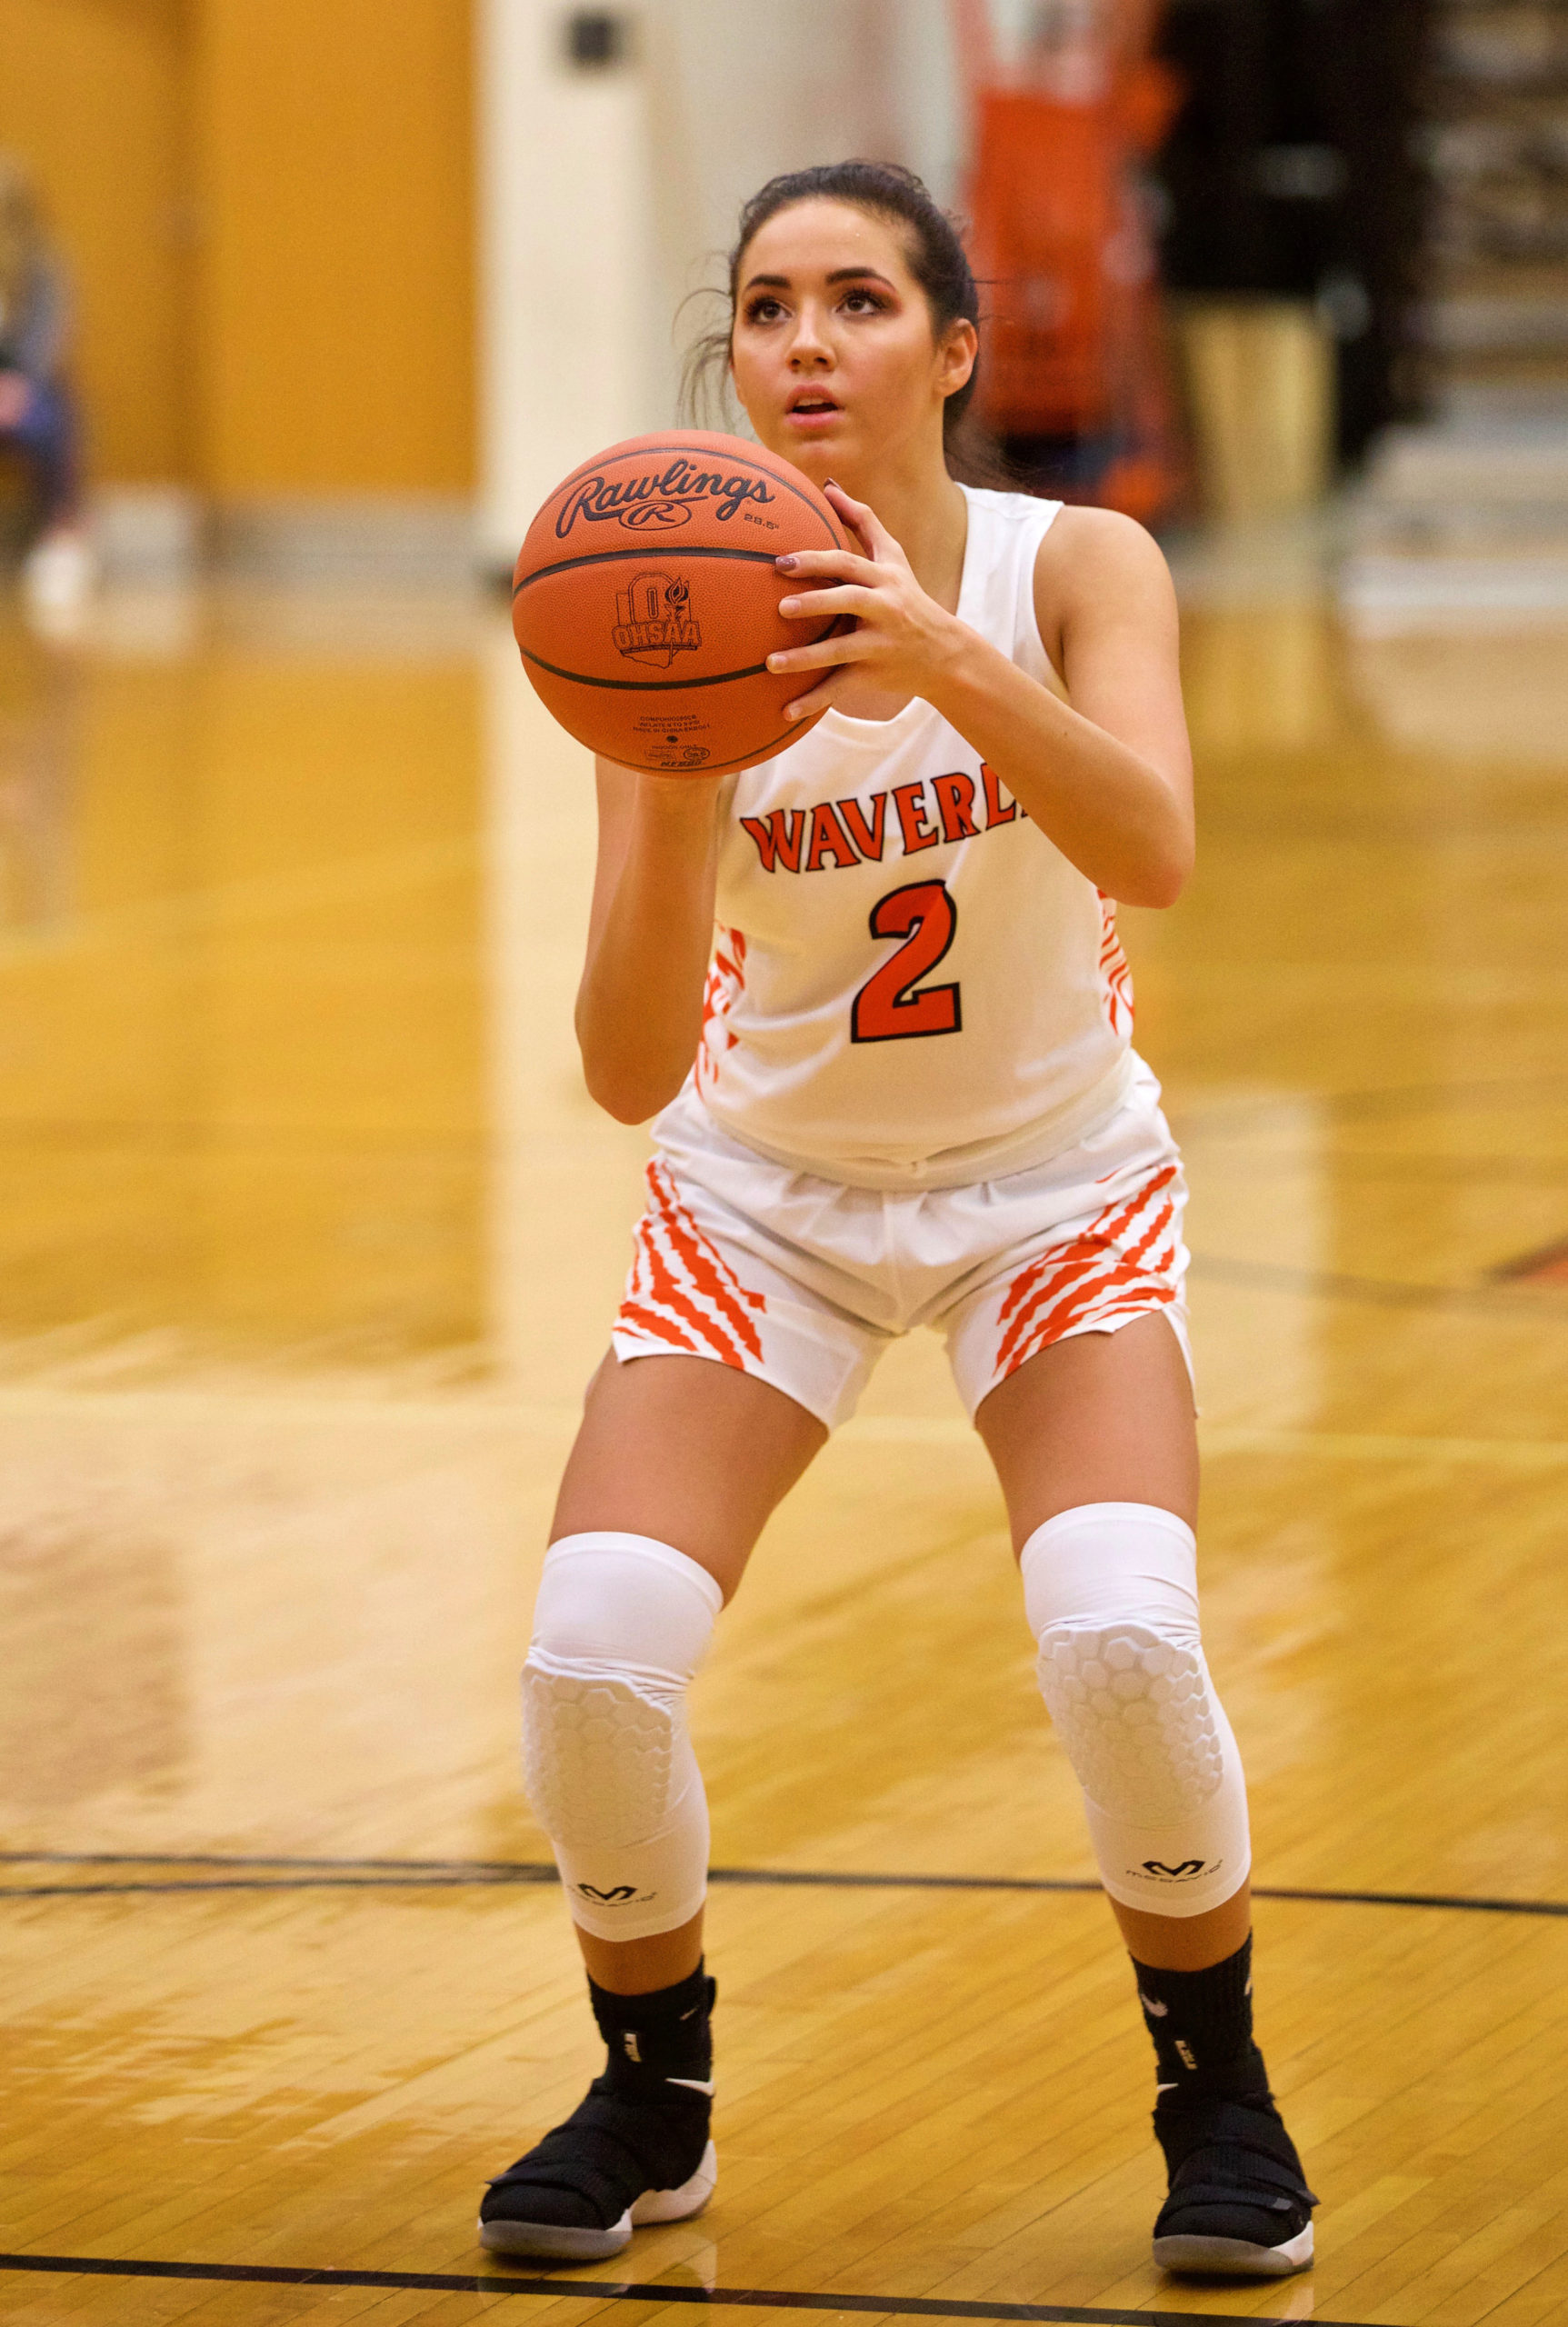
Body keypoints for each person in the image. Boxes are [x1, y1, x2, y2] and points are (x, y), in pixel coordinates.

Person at [479, 159, 1317, 2282]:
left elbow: (1154, 843)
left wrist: (942, 657)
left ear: (952, 350)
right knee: (590, 1655)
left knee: (1118, 1624)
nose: (804, 343)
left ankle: (1212, 2078)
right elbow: (618, 1066)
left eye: (859, 301)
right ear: (734, 356)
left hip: (1053, 1191)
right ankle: (648, 2082)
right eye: (765, 307)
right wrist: (670, 794)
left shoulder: (1075, 564)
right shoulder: (665, 620)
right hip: (764, 1199)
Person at [0, 157, 93, 617]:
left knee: (55, 419)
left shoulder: (44, 269)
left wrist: (17, 386)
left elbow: (49, 338)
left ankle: (63, 535)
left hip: (24, 391)